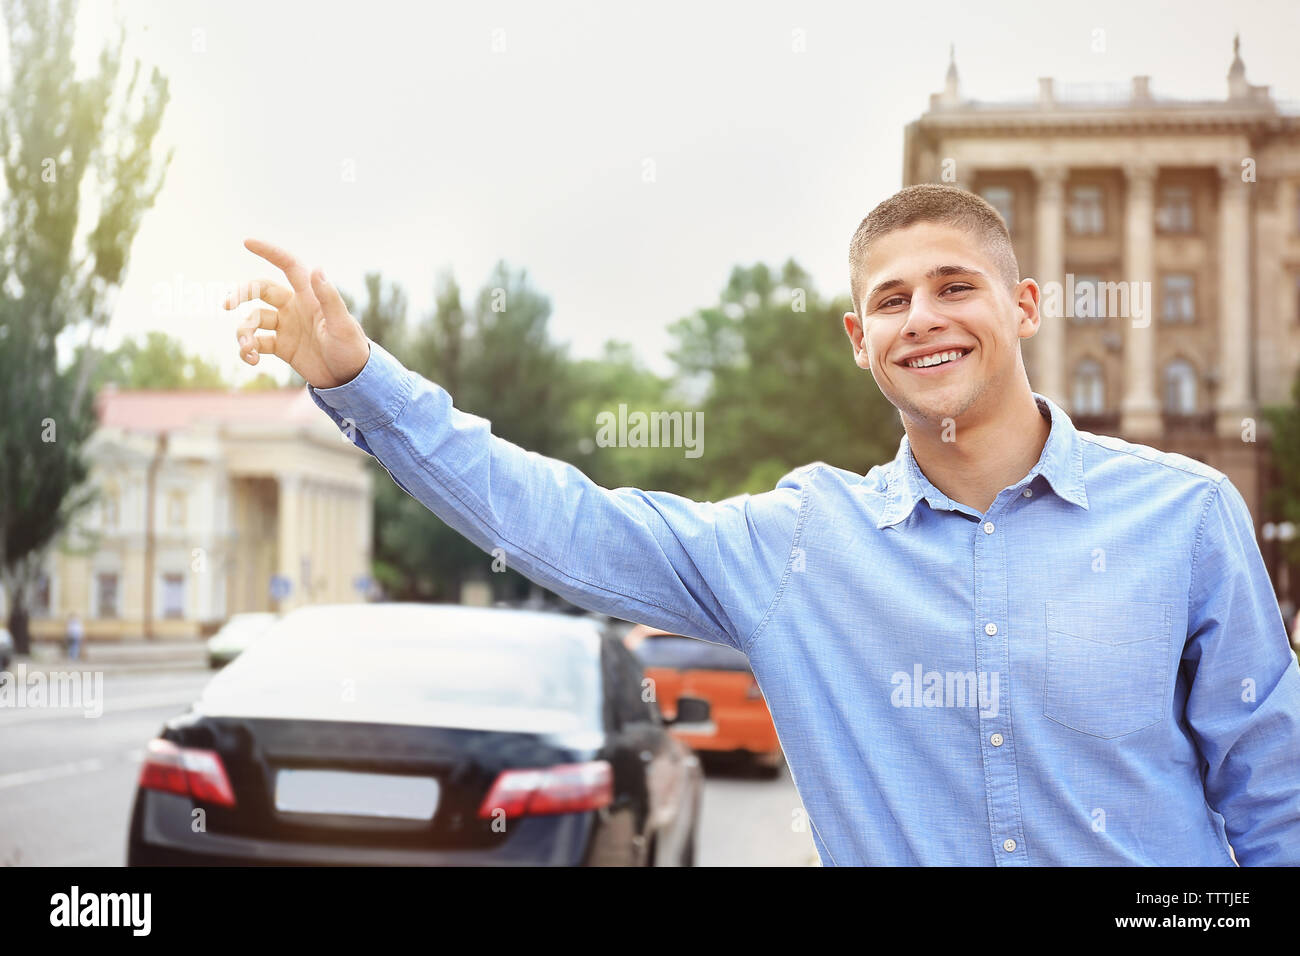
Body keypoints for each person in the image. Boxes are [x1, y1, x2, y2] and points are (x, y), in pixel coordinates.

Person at [224, 184, 1300, 866]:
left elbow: (1271, 792)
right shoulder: (799, 544)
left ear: (1020, 305)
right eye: (890, 300)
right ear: (857, 338)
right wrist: (364, 382)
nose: (921, 316)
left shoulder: (1185, 514)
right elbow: (562, 522)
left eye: (953, 285)